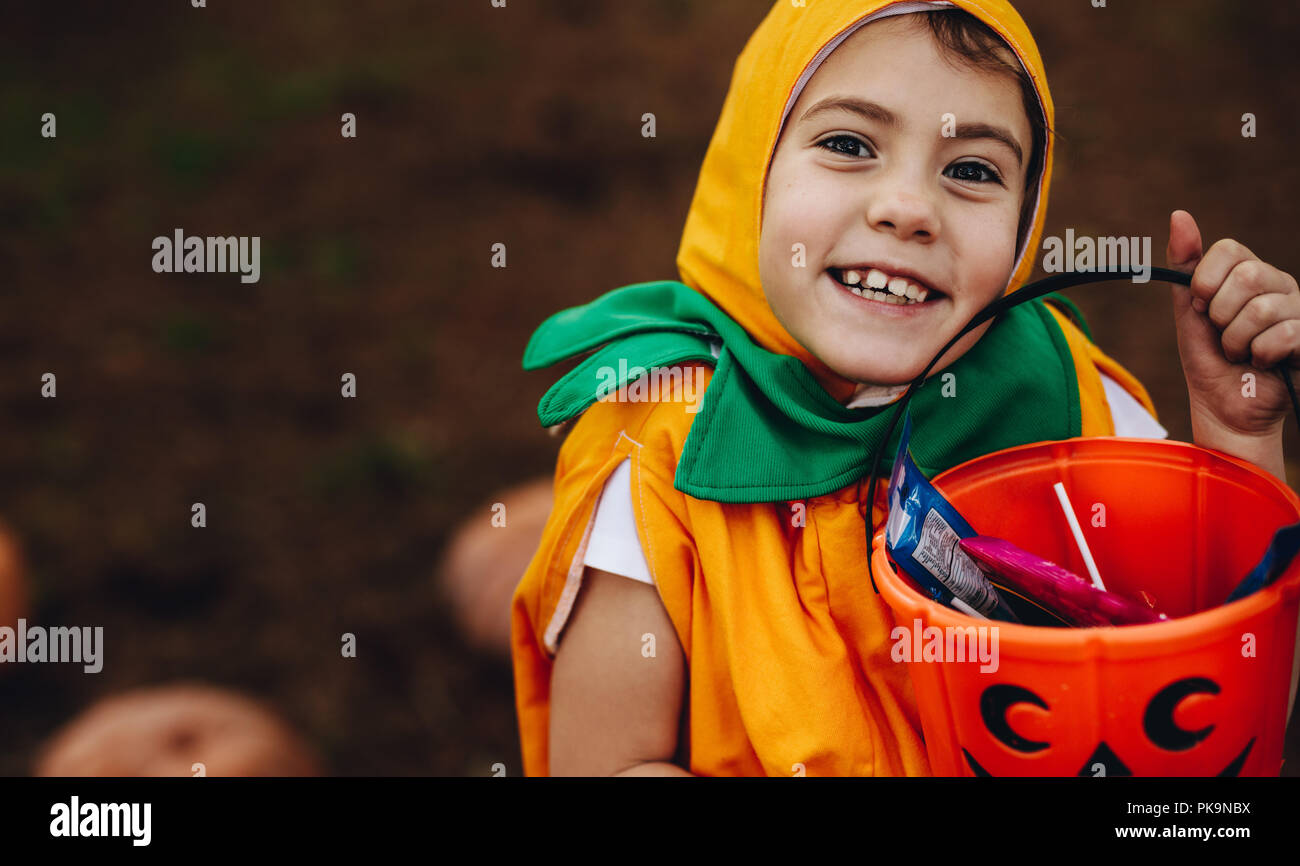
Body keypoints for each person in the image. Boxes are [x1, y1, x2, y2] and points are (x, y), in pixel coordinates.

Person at [510, 0, 1300, 776]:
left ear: (1026, 223)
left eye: (971, 169)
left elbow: (1238, 709)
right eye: (850, 143)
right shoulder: (662, 447)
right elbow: (607, 762)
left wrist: (1239, 439)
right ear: (753, 168)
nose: (909, 209)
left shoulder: (1067, 401)